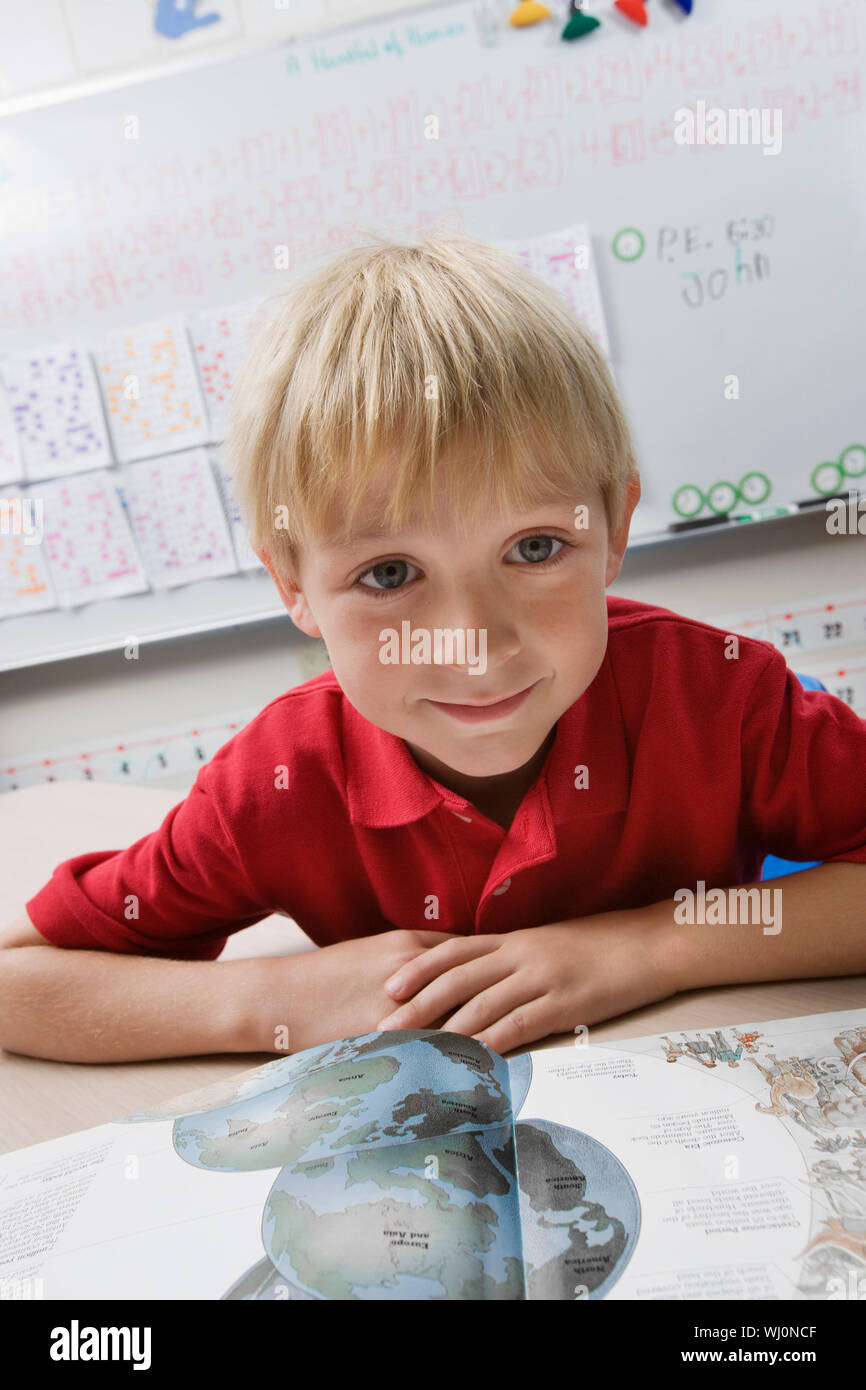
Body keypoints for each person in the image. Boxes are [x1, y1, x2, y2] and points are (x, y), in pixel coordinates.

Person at [2, 233, 865, 1064]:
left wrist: (644, 949)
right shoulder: (274, 784)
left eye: (533, 549)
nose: (477, 650)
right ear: (293, 586)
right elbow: (19, 978)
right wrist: (275, 1001)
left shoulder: (718, 697)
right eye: (388, 573)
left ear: (614, 528)